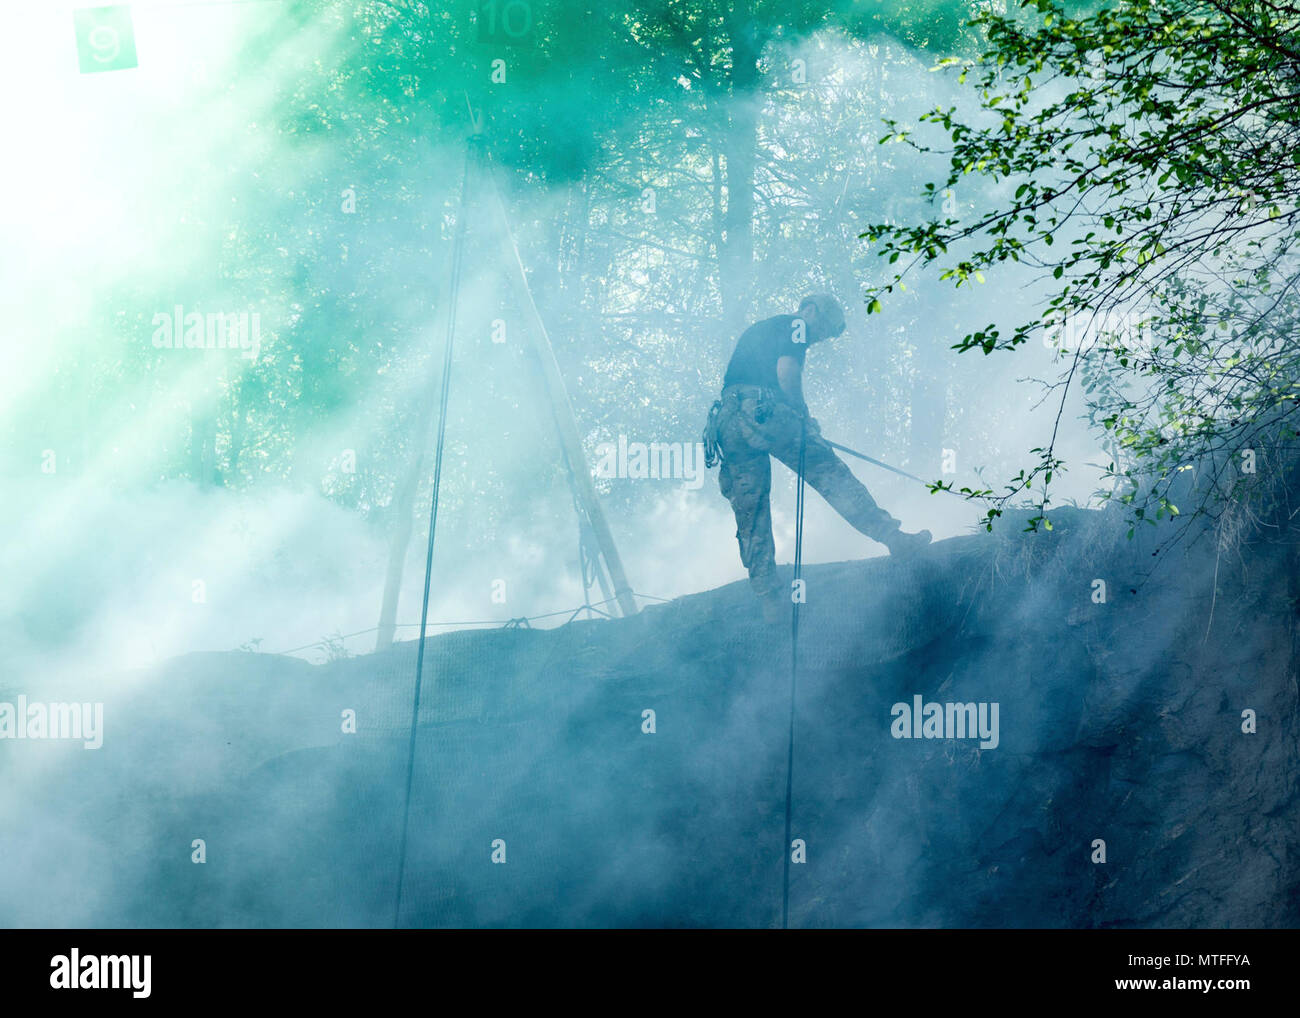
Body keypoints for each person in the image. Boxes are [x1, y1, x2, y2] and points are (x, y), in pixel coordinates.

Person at [705, 294, 931, 623]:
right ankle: (894, 538)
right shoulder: (796, 325)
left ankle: (769, 599)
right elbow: (786, 373)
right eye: (822, 329)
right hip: (764, 410)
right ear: (810, 310)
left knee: (750, 510)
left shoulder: (761, 329)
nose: (819, 337)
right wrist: (802, 416)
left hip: (728, 421)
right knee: (829, 474)